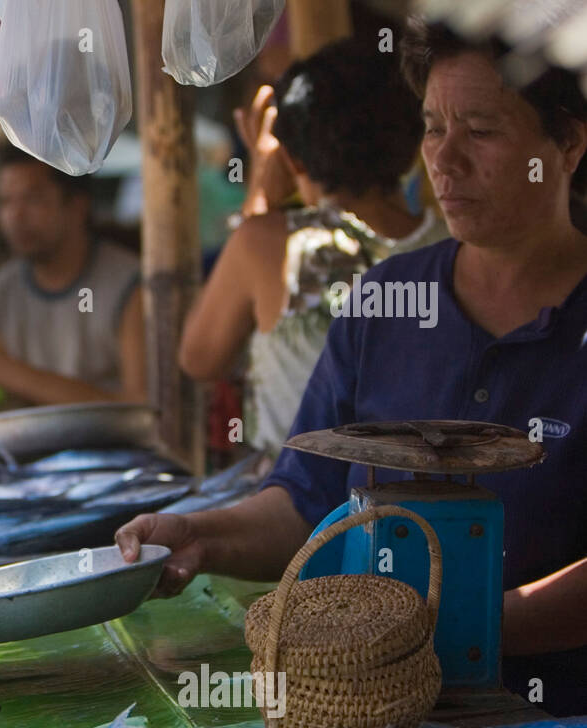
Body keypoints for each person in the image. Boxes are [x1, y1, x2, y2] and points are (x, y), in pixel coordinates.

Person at [117, 18, 587, 717]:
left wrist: (466, 629)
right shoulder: (386, 301)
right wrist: (203, 535)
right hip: (379, 714)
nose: (445, 160)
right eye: (432, 128)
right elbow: (308, 500)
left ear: (569, 144)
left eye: (481, 131)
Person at [179, 39, 451, 461]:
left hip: (292, 507)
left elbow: (199, 359)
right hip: (419, 490)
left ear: (294, 160)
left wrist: (259, 194)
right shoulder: (457, 248)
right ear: (414, 143)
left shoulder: (268, 242)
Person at [0, 149, 146, 405]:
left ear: (78, 207)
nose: (15, 216)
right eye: (5, 202)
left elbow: (138, 405)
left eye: (33, 199)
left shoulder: (132, 286)